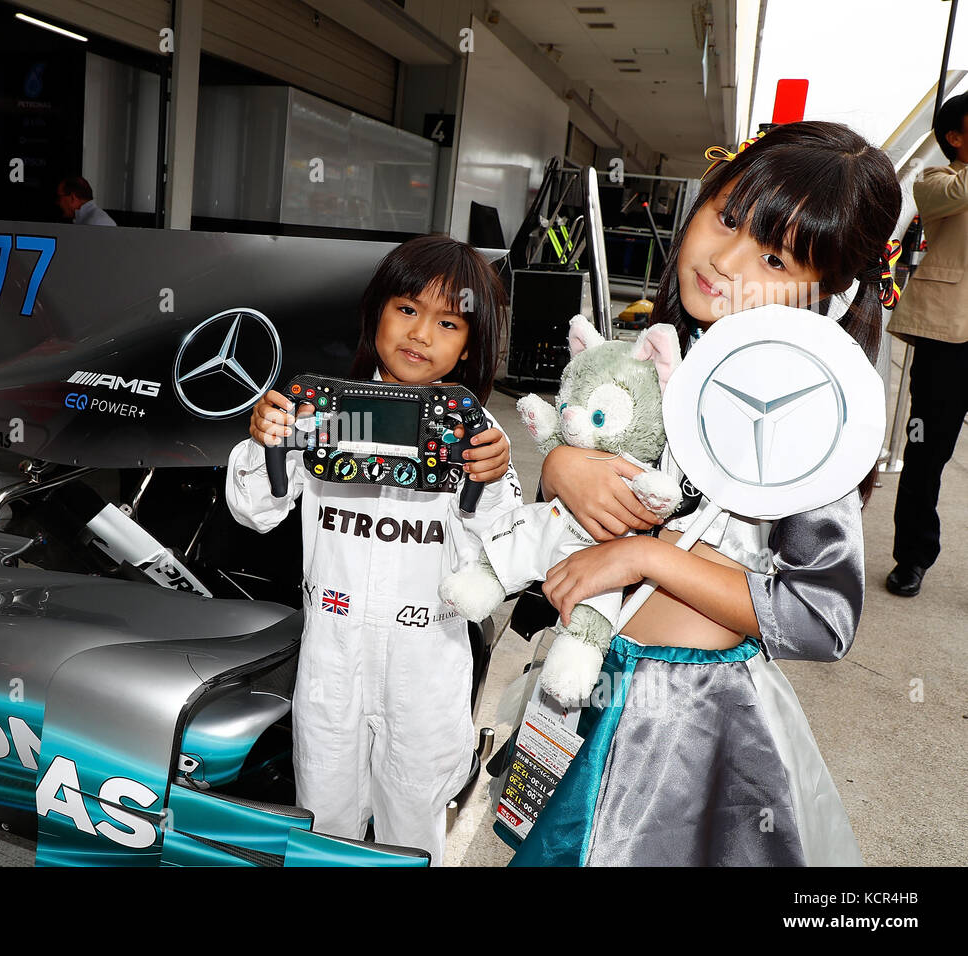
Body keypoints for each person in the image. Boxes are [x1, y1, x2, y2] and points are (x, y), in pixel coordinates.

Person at [511, 121, 900, 866]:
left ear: (827, 294)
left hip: (689, 723)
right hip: (588, 674)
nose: (725, 260)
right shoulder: (647, 357)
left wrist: (645, 558)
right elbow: (569, 530)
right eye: (725, 216)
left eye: (774, 257)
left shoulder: (804, 424)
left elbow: (822, 616)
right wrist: (562, 468)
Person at [225, 235, 522, 864]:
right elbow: (255, 512)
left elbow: (503, 556)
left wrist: (492, 483)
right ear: (376, 314)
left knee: (414, 822)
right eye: (406, 309)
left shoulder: (476, 436)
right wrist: (265, 444)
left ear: (470, 343)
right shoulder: (323, 414)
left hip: (428, 658)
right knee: (322, 812)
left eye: (448, 323)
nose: (421, 334)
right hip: (331, 651)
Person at [884, 93, 968, 597]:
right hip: (947, 338)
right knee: (925, 453)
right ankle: (912, 557)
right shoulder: (936, 181)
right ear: (955, 137)